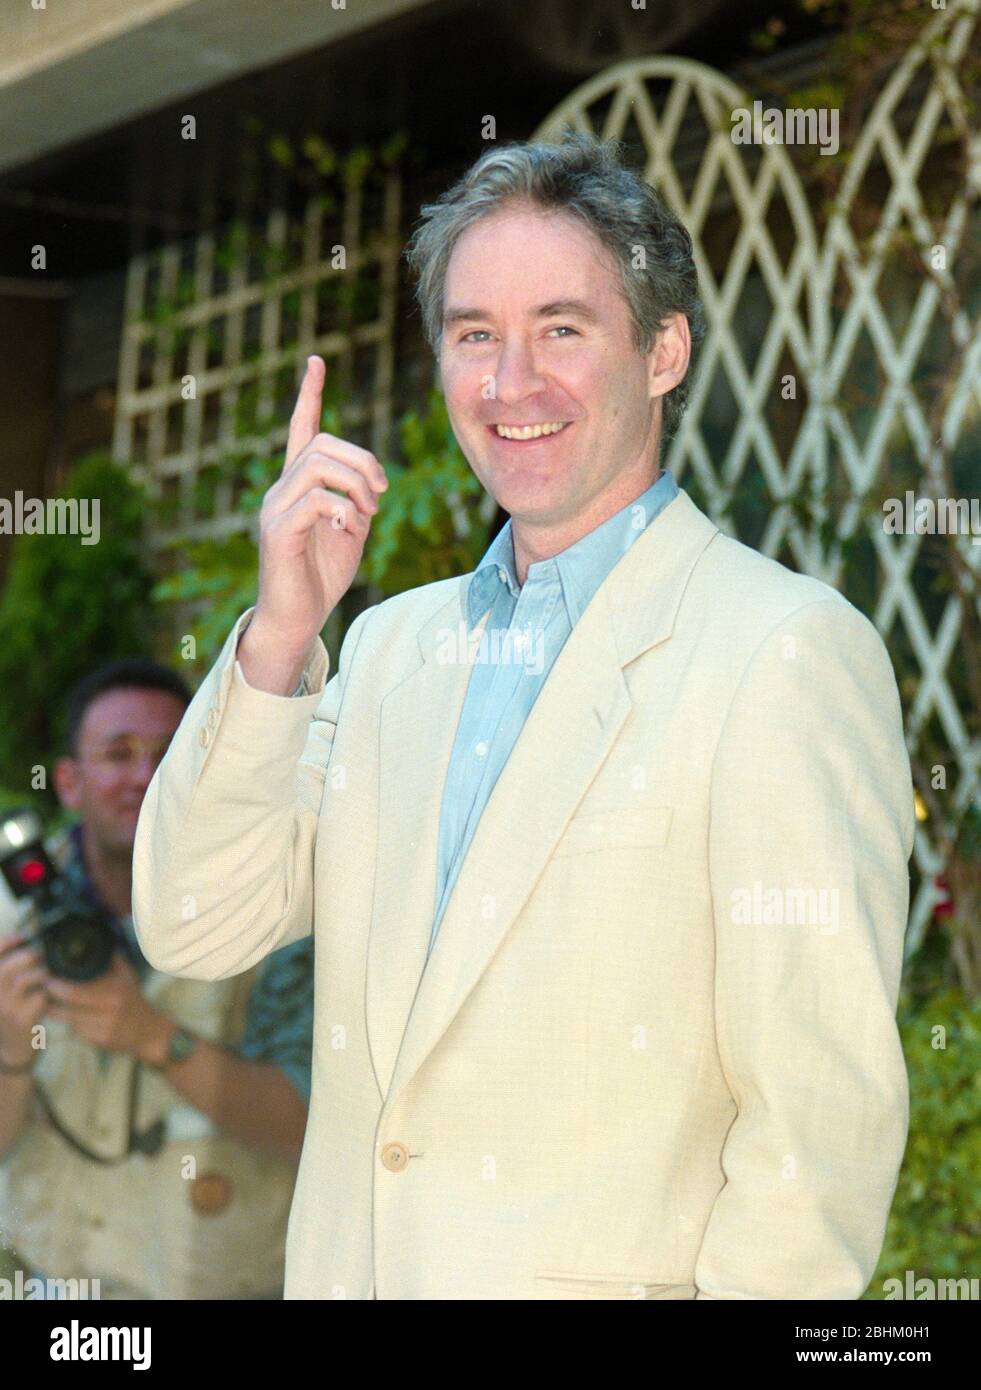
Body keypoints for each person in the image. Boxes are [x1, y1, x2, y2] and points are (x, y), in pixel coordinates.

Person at [131, 133, 915, 1300]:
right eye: (474, 335)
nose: (511, 384)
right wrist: (281, 635)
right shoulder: (392, 647)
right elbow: (194, 923)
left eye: (561, 328)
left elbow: (821, 1124)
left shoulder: (781, 652)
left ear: (664, 350)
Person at [0, 658, 315, 1299]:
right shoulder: (7, 915)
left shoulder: (278, 904)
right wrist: (9, 1052)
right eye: (118, 754)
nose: (144, 777)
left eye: (170, 752)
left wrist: (156, 1038)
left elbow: (309, 1128)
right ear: (67, 781)